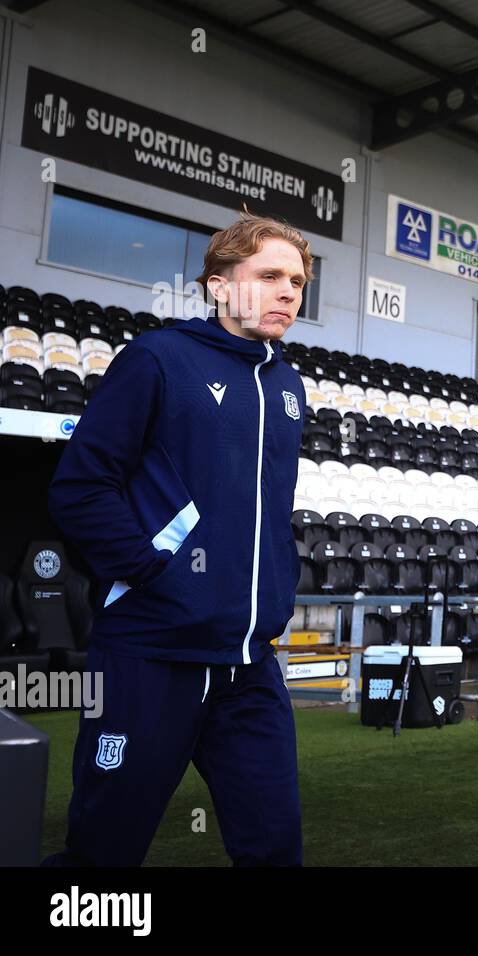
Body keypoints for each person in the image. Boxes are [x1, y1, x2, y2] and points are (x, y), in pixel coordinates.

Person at [43, 211, 311, 866]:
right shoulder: (158, 359)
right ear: (220, 285)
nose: (288, 293)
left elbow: (266, 512)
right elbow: (80, 488)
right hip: (150, 656)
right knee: (104, 851)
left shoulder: (289, 387)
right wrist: (155, 571)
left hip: (248, 664)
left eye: (298, 282)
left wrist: (280, 580)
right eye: (270, 275)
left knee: (276, 849)